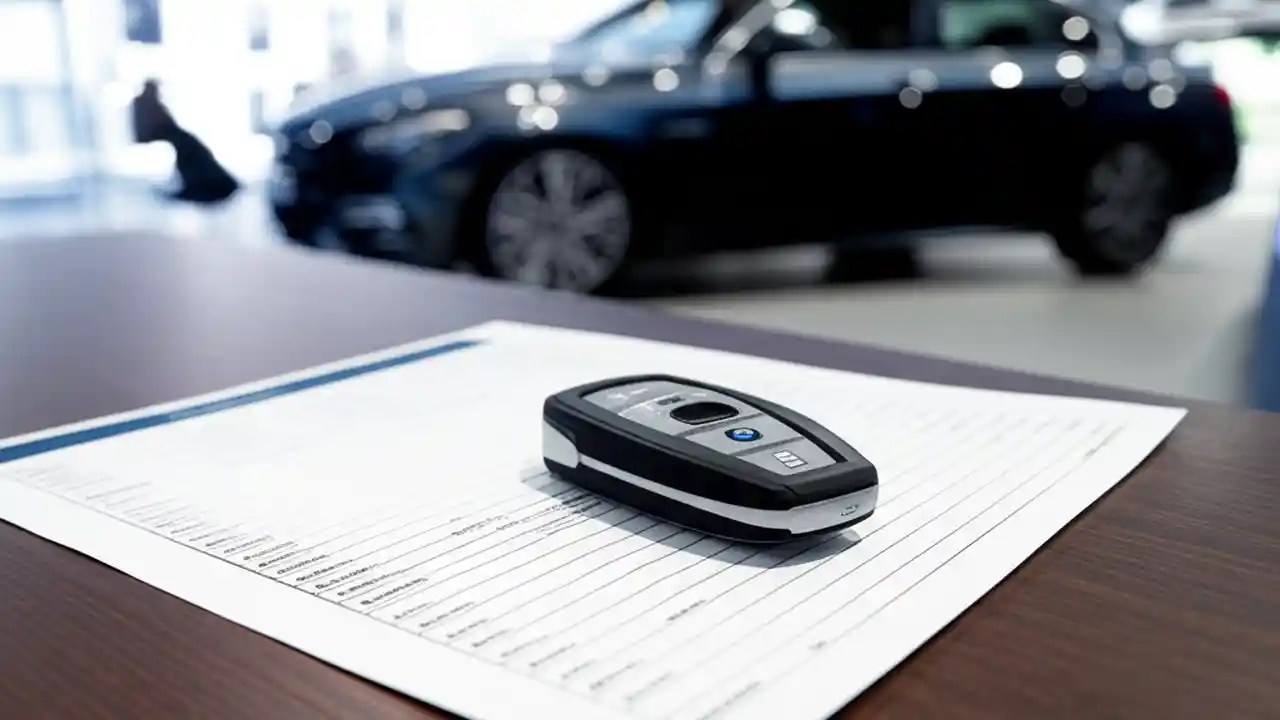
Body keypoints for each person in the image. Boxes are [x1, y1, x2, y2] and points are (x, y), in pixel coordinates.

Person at [131, 79, 240, 204]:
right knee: (187, 146)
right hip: (162, 136)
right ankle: (206, 182)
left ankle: (211, 181)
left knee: (190, 146)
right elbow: (148, 131)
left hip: (171, 136)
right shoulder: (144, 105)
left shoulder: (155, 106)